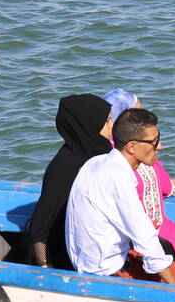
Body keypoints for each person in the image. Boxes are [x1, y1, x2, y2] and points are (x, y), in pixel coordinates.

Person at [65, 107, 175, 289]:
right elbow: (144, 236)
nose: (159, 146)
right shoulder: (119, 178)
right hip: (111, 277)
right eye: (154, 141)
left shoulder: (95, 164)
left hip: (88, 266)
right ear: (132, 146)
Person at [102, 88, 175, 263]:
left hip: (123, 231)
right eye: (137, 112)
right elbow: (164, 185)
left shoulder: (104, 152)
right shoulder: (139, 151)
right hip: (151, 228)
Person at [26, 94, 113, 270]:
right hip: (71, 255)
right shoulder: (65, 168)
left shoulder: (102, 155)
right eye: (108, 120)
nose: (112, 126)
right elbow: (40, 227)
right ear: (90, 124)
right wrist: (45, 267)